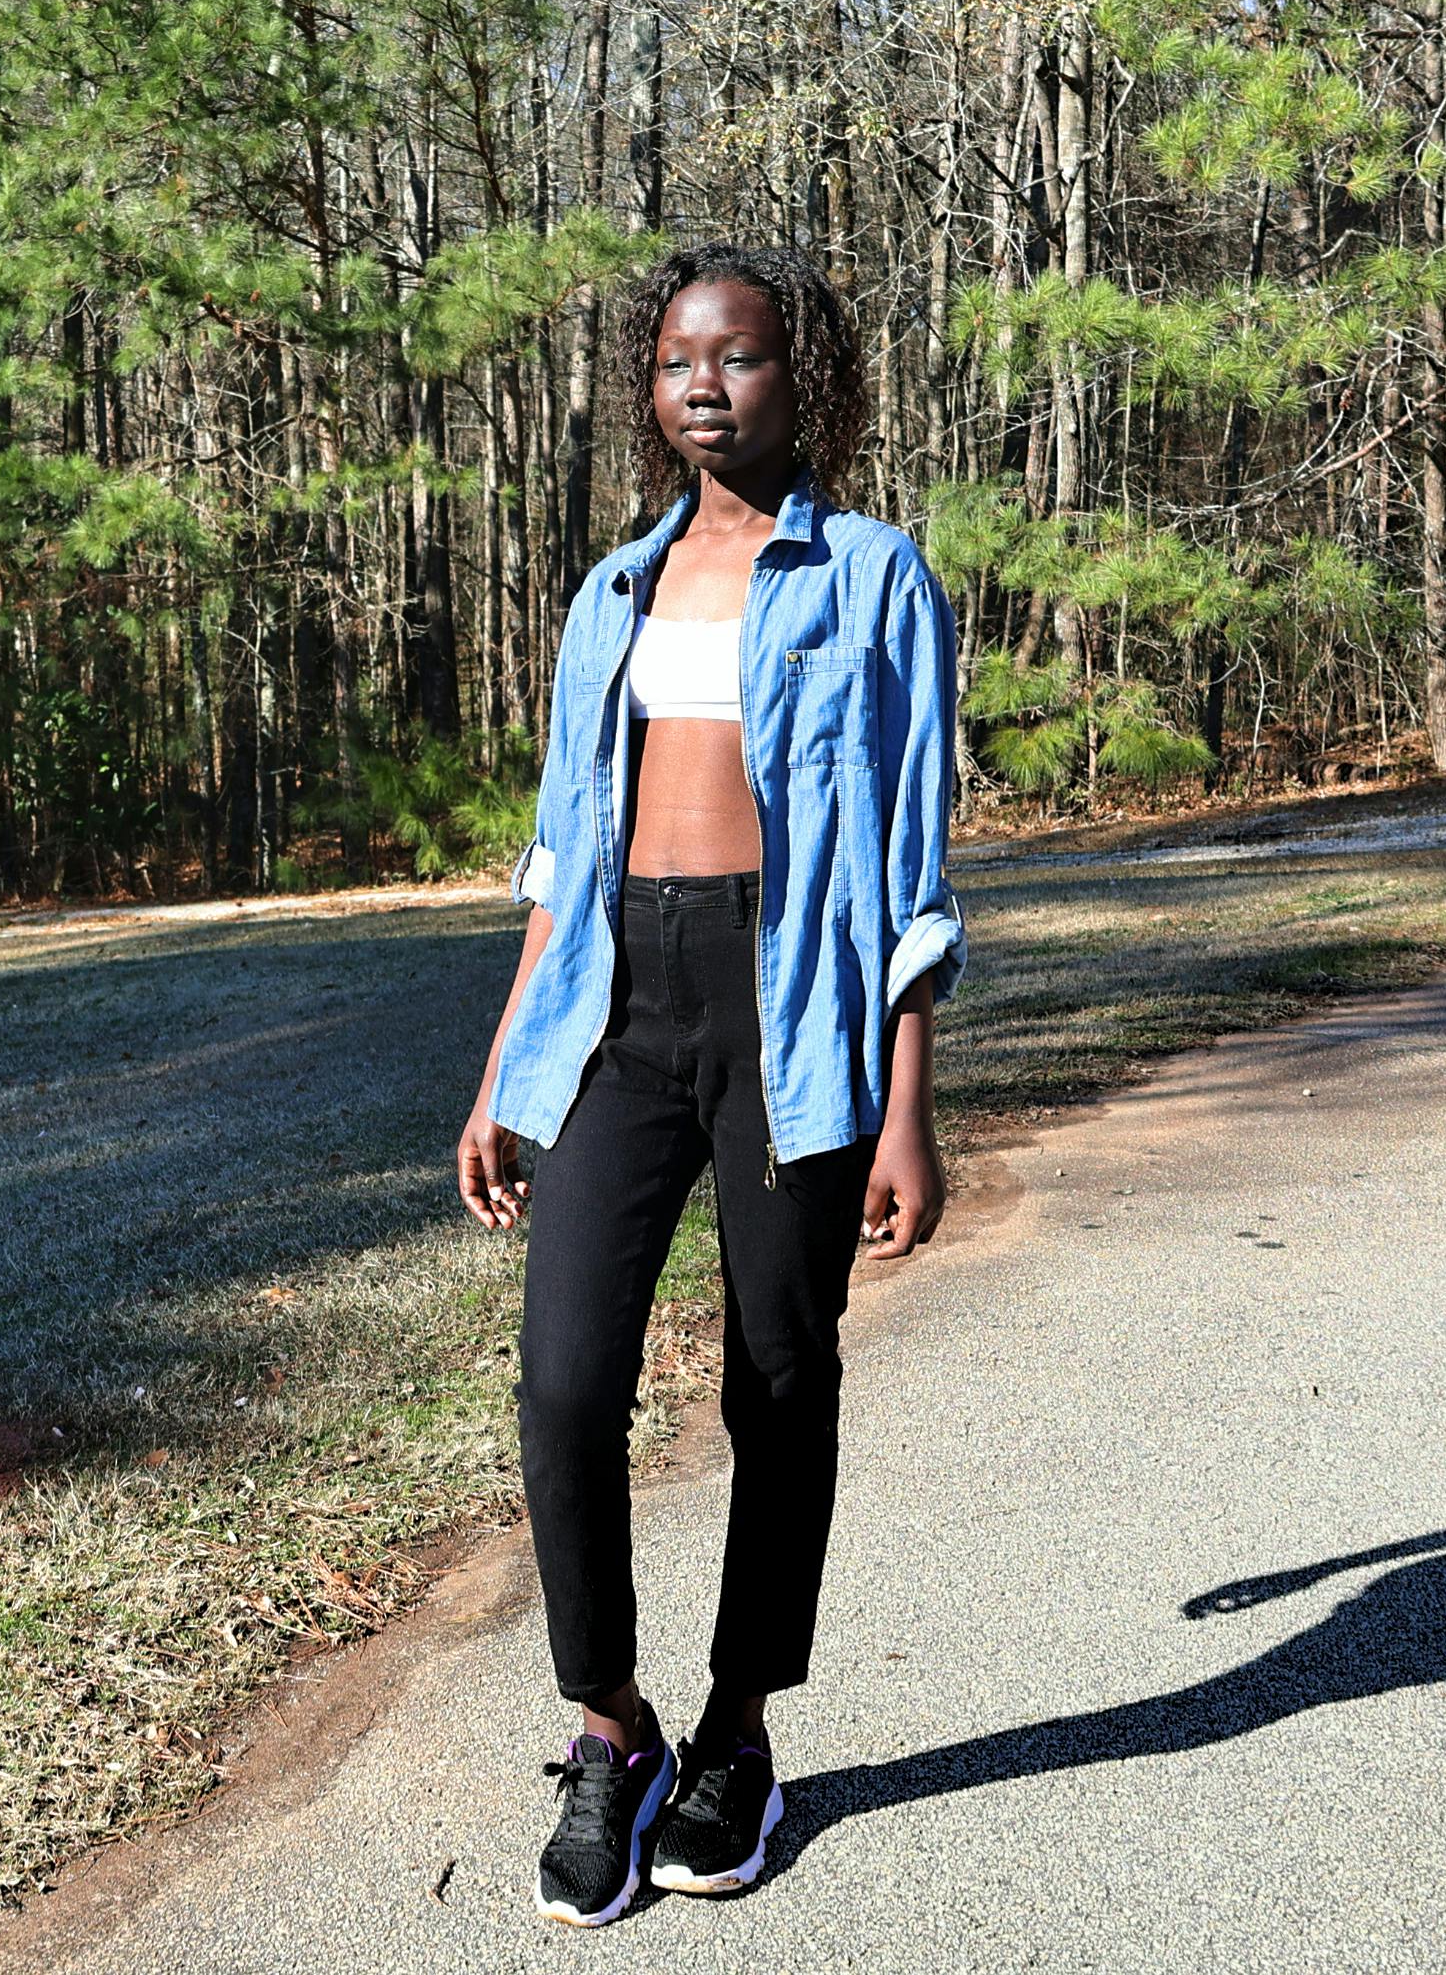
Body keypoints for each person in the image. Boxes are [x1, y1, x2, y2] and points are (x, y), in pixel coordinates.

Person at [454, 239, 964, 1924]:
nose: (701, 384)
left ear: (796, 374)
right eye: (677, 358)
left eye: (734, 357)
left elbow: (906, 867)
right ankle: (613, 1721)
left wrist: (908, 1102)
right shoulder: (612, 593)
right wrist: (501, 1072)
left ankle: (741, 1727)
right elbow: (561, 857)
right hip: (618, 1003)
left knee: (778, 1375)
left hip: (788, 1001)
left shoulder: (878, 576)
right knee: (561, 1381)